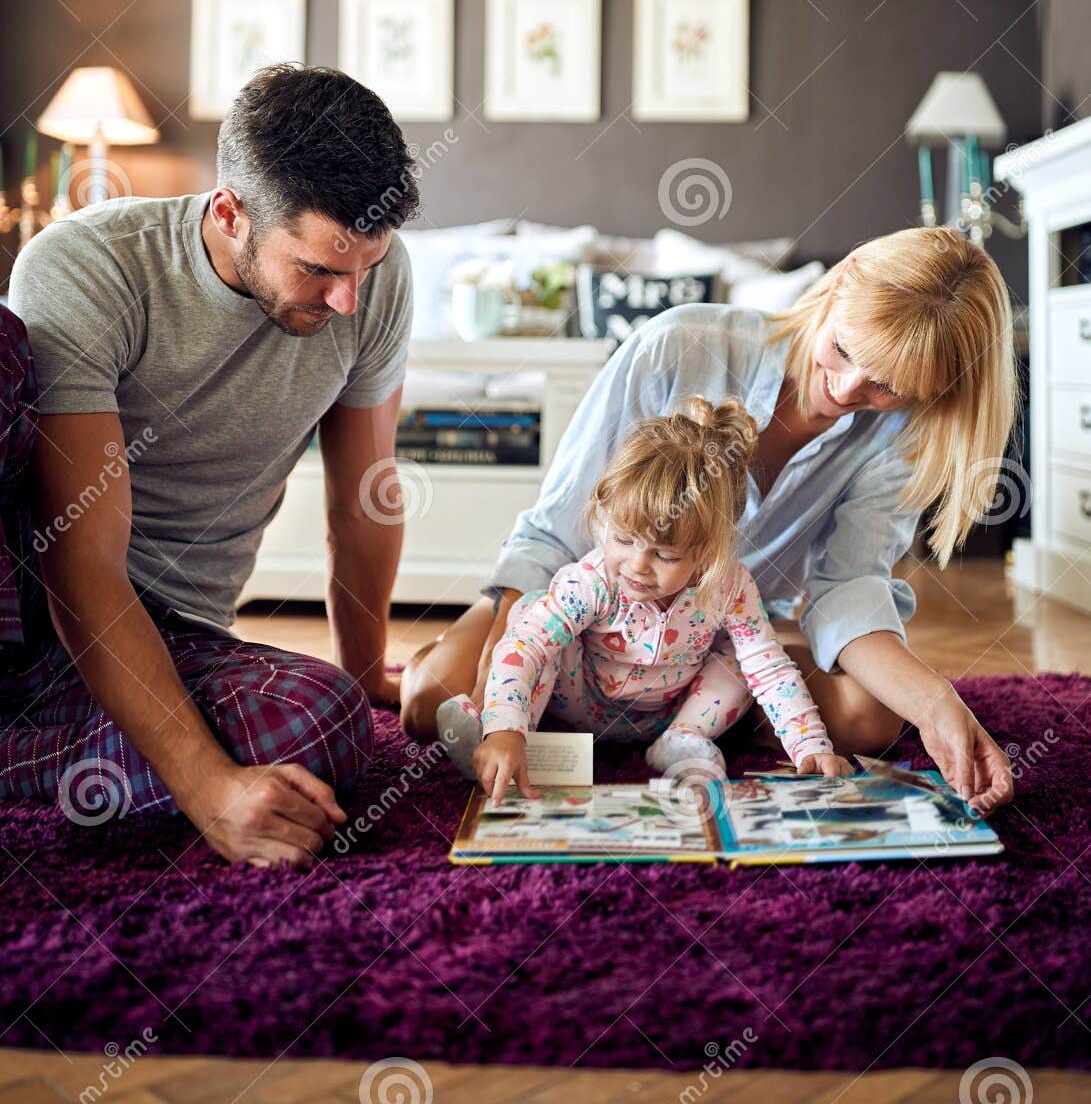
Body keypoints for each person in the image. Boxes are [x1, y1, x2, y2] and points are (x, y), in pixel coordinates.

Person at [402, 226, 1017, 812]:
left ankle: (690, 721)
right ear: (843, 278)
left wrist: (938, 703)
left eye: (888, 385)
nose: (848, 387)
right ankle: (639, 710)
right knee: (432, 698)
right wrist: (499, 682)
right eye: (844, 349)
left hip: (725, 631)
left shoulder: (901, 433)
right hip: (582, 608)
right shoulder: (678, 344)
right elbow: (558, 526)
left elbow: (849, 588)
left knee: (870, 719)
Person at [2, 63, 418, 869]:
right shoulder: (88, 266)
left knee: (324, 723)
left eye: (365, 266)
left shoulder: (373, 279)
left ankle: (45, 745)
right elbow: (79, 559)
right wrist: (207, 789)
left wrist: (367, 677)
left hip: (175, 633)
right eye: (320, 270)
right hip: (29, 593)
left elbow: (363, 497)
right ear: (229, 212)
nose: (348, 302)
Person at [440, 396, 852, 806]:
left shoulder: (728, 584)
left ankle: (683, 741)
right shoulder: (594, 579)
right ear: (605, 511)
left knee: (744, 656)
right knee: (531, 612)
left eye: (665, 555)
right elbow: (525, 645)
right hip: (579, 704)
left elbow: (768, 666)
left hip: (670, 713)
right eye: (622, 539)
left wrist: (810, 745)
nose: (637, 565)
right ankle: (495, 735)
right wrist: (505, 730)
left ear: (710, 551)